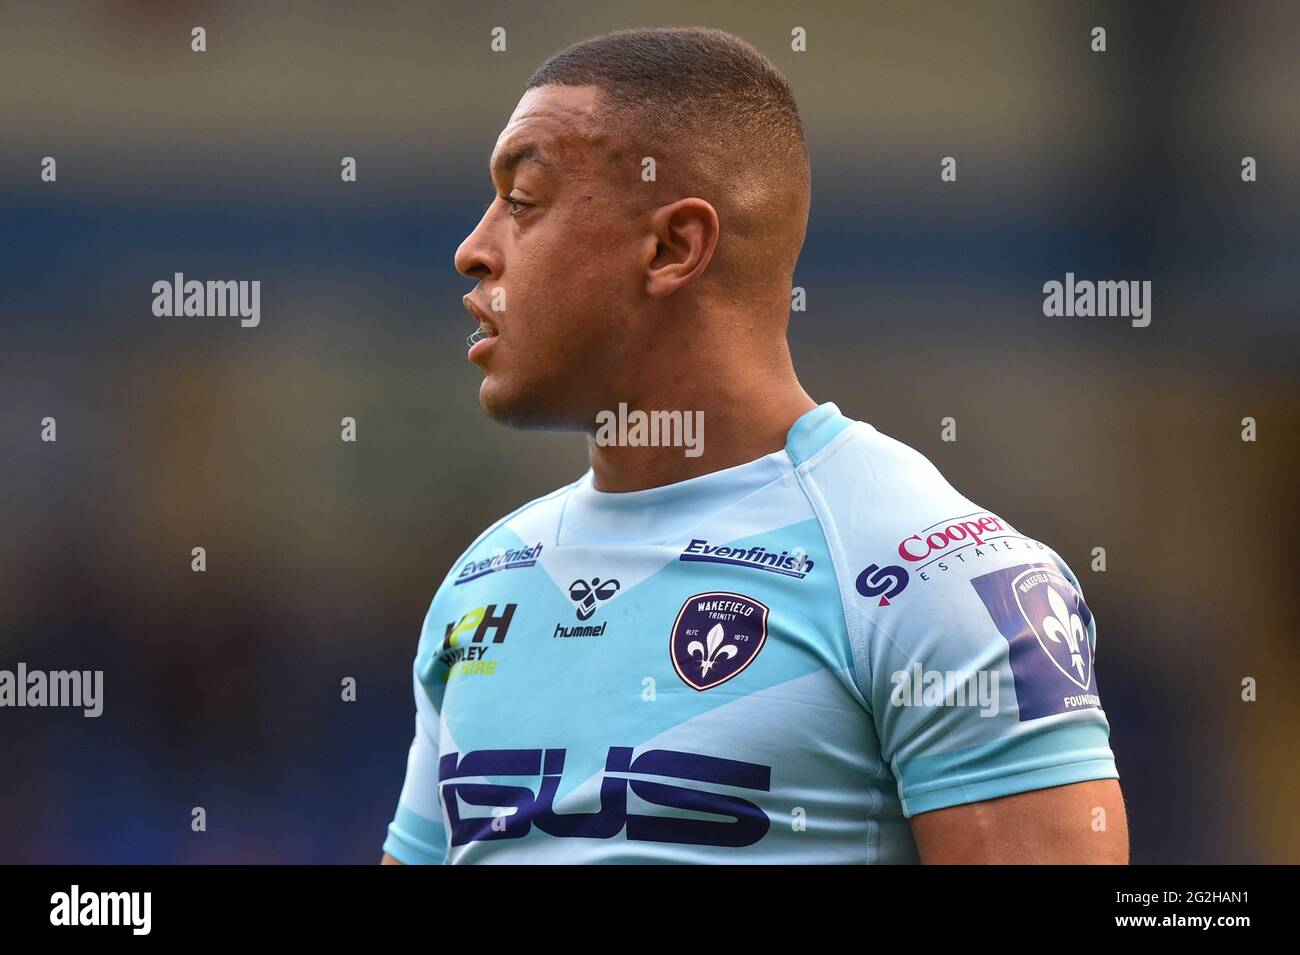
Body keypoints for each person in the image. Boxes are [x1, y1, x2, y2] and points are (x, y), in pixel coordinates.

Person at [382, 26, 1126, 864]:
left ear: (671, 247)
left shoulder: (935, 576)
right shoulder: (485, 583)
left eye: (522, 201)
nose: (473, 249)